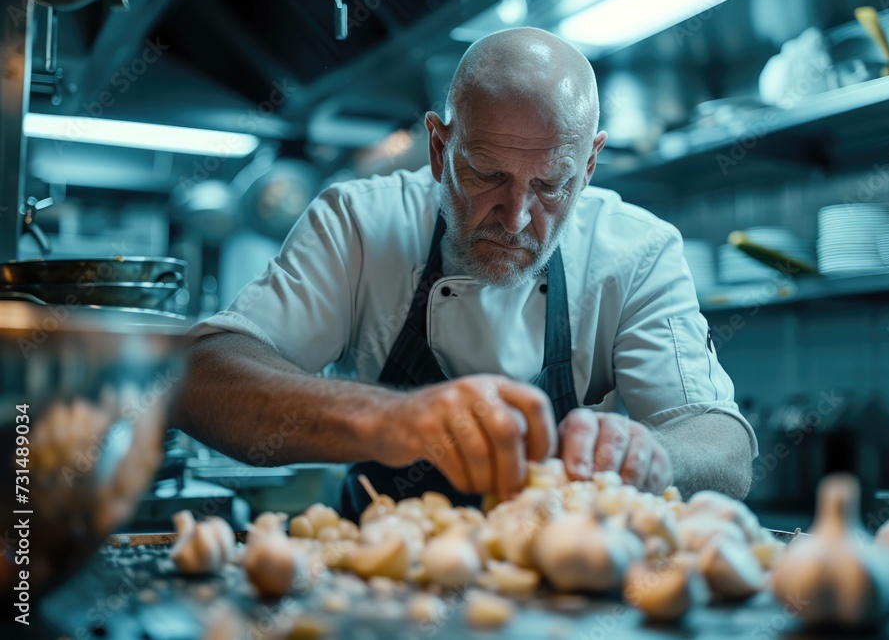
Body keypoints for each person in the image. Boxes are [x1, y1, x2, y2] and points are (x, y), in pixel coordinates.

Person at [176, 27, 757, 521]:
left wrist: (653, 455)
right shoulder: (359, 222)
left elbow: (724, 448)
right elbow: (199, 377)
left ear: (591, 164)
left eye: (552, 185)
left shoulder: (636, 250)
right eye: (486, 175)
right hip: (377, 584)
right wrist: (392, 418)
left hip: (561, 586)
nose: (516, 216)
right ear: (438, 148)